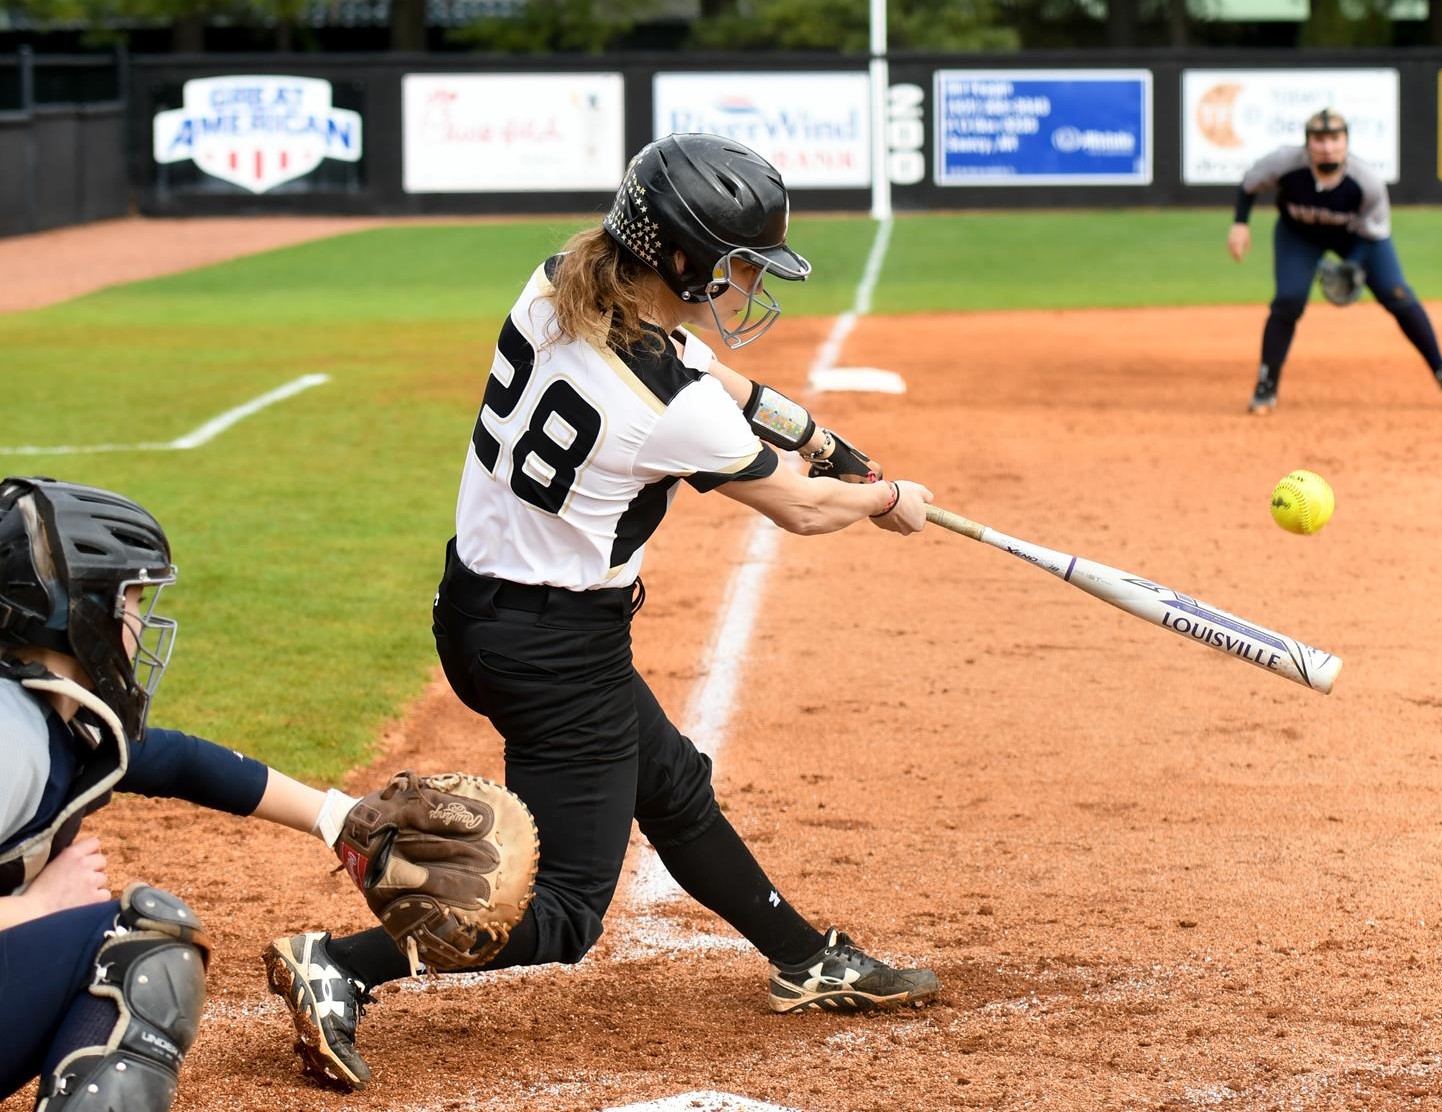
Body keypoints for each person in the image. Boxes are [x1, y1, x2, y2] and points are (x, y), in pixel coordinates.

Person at [262, 133, 941, 1093]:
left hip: (482, 608)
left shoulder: (557, 285)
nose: (746, 280)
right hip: (552, 647)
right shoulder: (667, 408)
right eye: (737, 261)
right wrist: (883, 498)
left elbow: (713, 380)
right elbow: (794, 505)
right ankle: (342, 964)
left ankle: (805, 956)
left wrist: (828, 441)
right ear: (678, 256)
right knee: (568, 914)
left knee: (669, 783)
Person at [0, 476, 358, 1111]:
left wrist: (342, 819)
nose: (141, 620)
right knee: (142, 954)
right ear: (75, 611)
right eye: (132, 598)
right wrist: (35, 910)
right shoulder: (10, 739)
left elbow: (178, 761)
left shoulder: (48, 717)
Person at [1227, 109, 1442, 414]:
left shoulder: (1366, 181)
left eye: (1334, 139)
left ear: (1346, 142)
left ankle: (1441, 369)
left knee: (1397, 293)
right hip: (1299, 235)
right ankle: (1266, 384)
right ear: (1307, 144)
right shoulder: (1284, 163)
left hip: (1357, 239)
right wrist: (1240, 223)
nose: (1327, 147)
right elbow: (1249, 185)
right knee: (1288, 300)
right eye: (1319, 139)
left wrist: (1352, 264)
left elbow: (1374, 233)